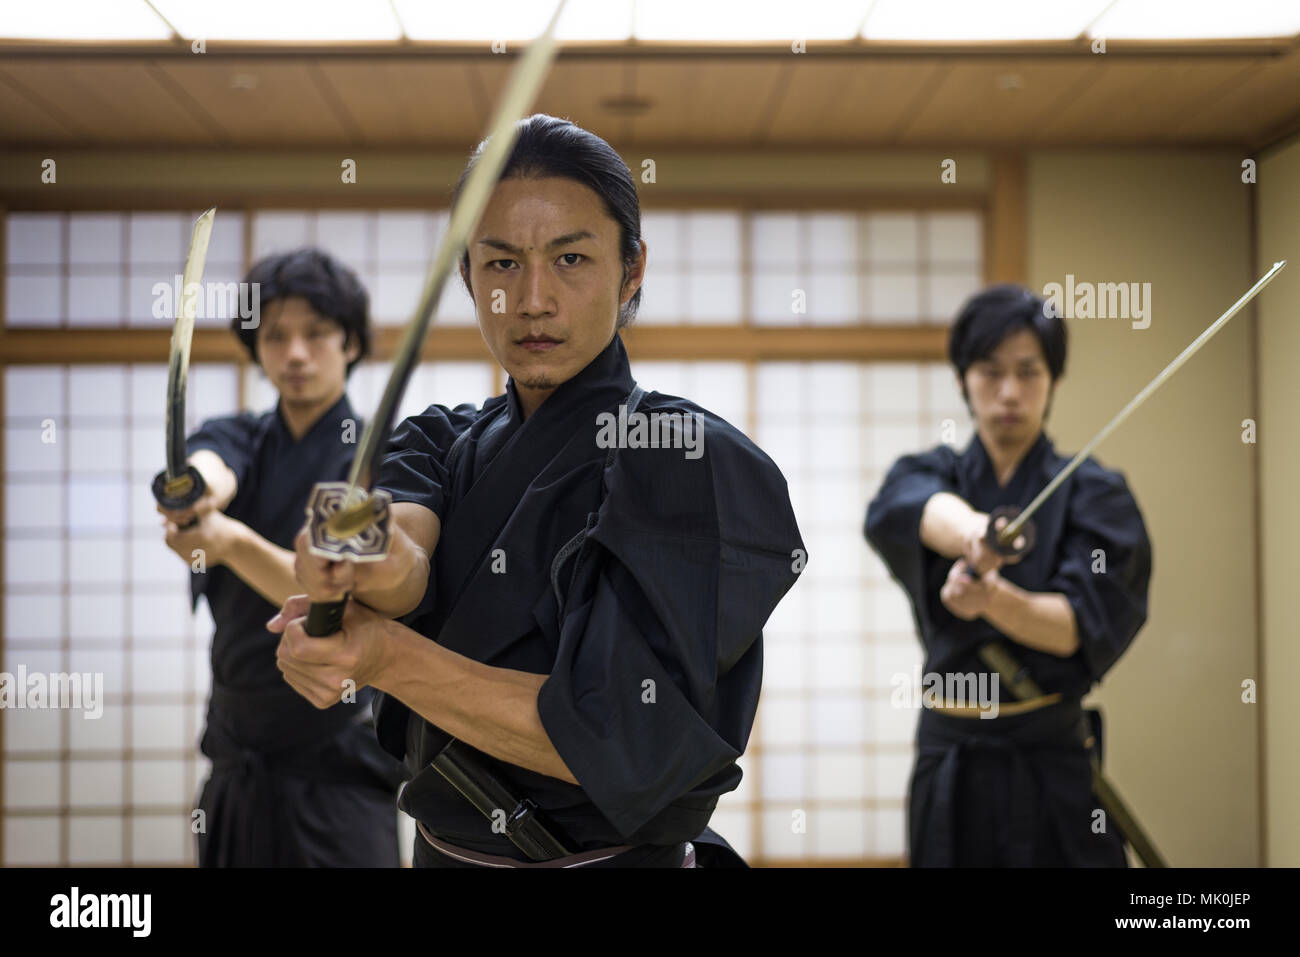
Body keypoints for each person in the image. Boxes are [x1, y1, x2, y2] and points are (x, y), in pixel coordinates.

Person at [269, 114, 805, 868]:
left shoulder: (692, 459)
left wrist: (383, 655)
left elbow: (614, 729)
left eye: (571, 258)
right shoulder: (436, 437)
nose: (533, 300)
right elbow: (405, 556)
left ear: (632, 269)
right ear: (467, 275)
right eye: (502, 265)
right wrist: (357, 559)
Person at [864, 284, 1152, 867]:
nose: (1009, 392)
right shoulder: (931, 472)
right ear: (963, 380)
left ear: (1054, 380)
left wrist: (991, 598)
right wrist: (976, 535)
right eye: (990, 372)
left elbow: (1076, 626)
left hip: (1048, 753)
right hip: (952, 757)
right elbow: (908, 509)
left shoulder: (1095, 491)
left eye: (1029, 372)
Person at [158, 248, 405, 867]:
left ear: (349, 343)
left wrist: (229, 542)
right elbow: (212, 468)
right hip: (237, 768)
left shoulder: (380, 460)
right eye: (275, 337)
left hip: (339, 777)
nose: (295, 354)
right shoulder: (237, 435)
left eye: (315, 333)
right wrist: (195, 491)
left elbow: (336, 594)